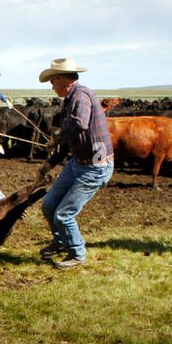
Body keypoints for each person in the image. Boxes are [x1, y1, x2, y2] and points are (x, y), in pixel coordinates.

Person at [37, 58, 113, 269]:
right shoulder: (71, 99)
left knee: (64, 213)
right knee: (49, 205)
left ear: (61, 79)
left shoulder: (80, 96)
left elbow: (79, 125)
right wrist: (49, 164)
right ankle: (61, 243)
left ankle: (77, 254)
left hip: (95, 166)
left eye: (52, 82)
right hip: (79, 162)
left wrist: (56, 138)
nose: (52, 87)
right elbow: (72, 138)